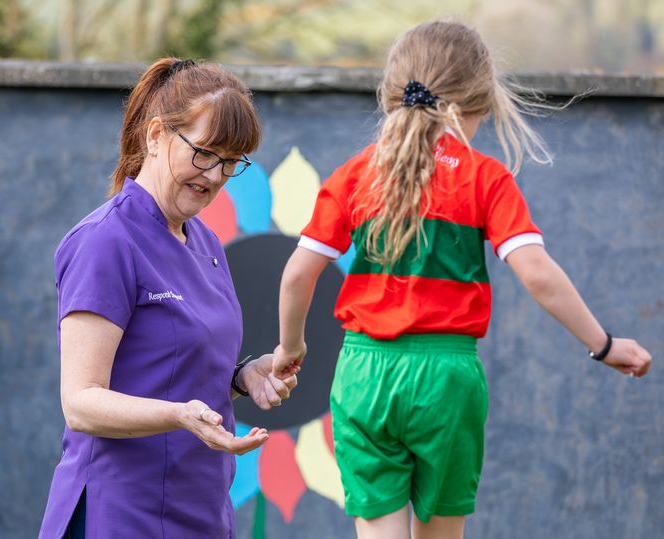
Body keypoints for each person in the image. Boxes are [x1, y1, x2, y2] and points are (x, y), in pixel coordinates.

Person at [271, 21, 652, 539]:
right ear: (479, 102)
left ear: (391, 96)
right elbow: (537, 274)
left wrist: (291, 348)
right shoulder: (485, 177)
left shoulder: (355, 175)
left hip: (363, 373)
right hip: (446, 380)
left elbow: (297, 275)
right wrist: (604, 345)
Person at [38, 57, 298, 539]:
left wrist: (241, 377)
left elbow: (173, 365)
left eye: (231, 161)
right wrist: (178, 415)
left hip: (198, 508)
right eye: (205, 153)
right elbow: (81, 403)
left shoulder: (206, 243)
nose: (217, 175)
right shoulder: (104, 241)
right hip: (120, 514)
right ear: (155, 135)